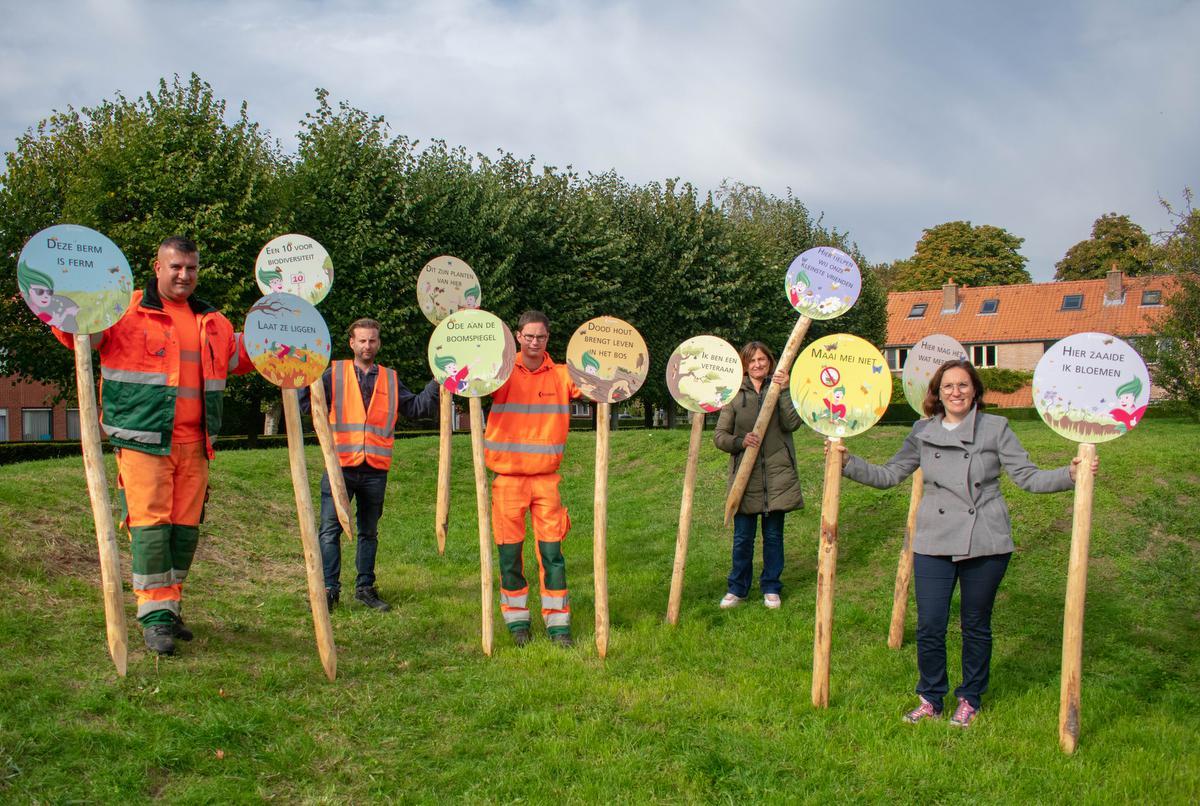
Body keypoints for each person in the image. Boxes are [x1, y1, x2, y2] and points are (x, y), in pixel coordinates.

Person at [828, 359, 1098, 727]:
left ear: (975, 391)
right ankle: (931, 697)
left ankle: (970, 698)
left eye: (963, 385)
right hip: (933, 541)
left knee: (975, 624)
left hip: (985, 539)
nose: (956, 392)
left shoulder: (996, 428)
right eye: (948, 387)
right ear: (937, 394)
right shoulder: (922, 431)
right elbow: (889, 474)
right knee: (930, 625)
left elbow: (1028, 478)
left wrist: (1071, 474)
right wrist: (847, 463)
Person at [54, 236, 252, 656]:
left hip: (195, 446)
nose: (184, 275)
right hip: (144, 441)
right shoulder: (123, 307)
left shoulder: (213, 321)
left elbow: (241, 357)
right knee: (151, 530)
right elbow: (75, 335)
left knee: (184, 532)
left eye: (191, 268)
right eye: (176, 267)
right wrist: (60, 302)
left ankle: (169, 604)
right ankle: (154, 616)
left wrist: (286, 332)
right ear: (157, 267)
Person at [302, 318, 438, 612]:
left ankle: (365, 588)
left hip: (375, 469)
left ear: (378, 343)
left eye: (372, 340)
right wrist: (296, 376)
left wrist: (438, 381)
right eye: (362, 340)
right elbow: (309, 405)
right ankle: (329, 589)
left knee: (368, 532)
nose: (367, 346)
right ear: (351, 343)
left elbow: (416, 408)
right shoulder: (332, 374)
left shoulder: (390, 378)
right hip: (339, 466)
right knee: (329, 530)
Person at [483, 310, 582, 647]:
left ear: (547, 339)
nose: (535, 342)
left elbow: (603, 385)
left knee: (552, 553)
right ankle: (517, 623)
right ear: (518, 336)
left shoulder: (563, 375)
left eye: (541, 337)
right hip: (507, 479)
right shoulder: (501, 371)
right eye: (529, 336)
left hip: (546, 481)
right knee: (510, 556)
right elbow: (466, 378)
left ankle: (559, 626)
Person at [713, 341, 803, 610]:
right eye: (752, 360)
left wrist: (785, 390)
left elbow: (792, 423)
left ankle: (771, 587)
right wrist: (741, 441)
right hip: (745, 477)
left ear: (770, 361)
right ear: (744, 364)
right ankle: (737, 589)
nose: (757, 364)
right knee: (743, 538)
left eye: (762, 359)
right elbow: (719, 437)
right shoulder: (733, 394)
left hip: (777, 476)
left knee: (774, 536)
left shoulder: (780, 388)